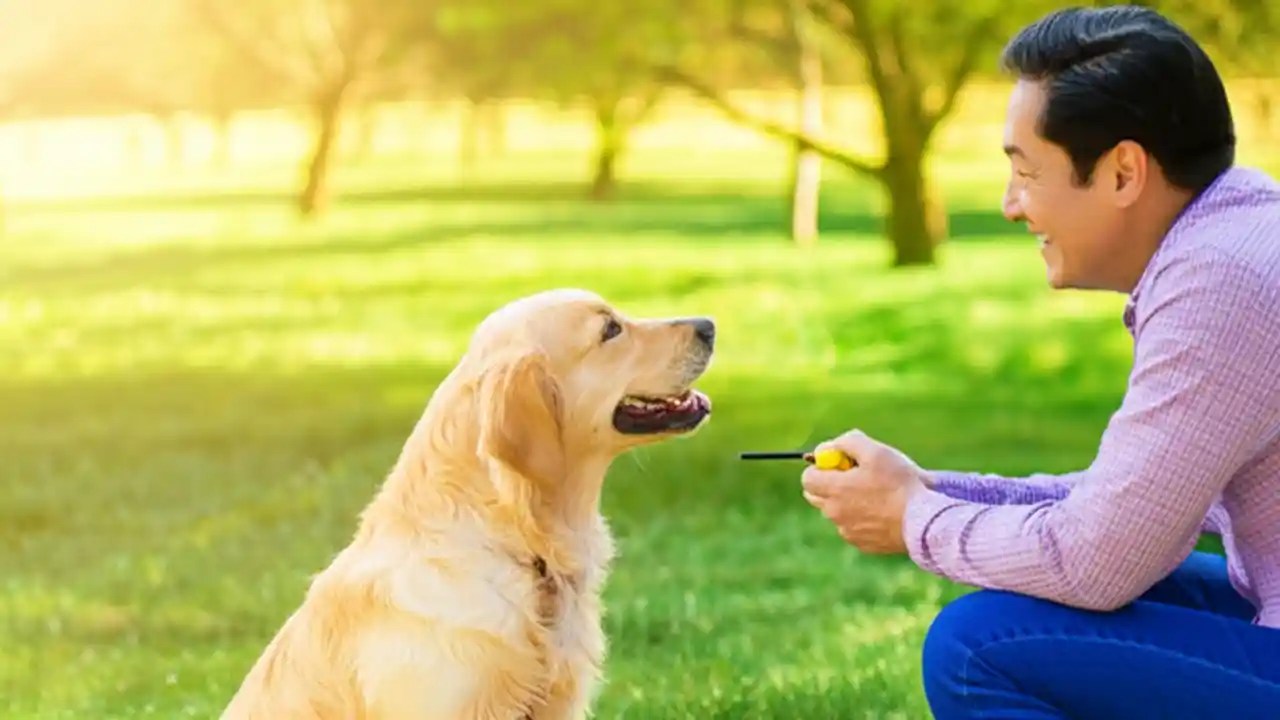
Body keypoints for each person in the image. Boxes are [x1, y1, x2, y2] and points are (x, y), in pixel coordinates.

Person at [799, 5, 1280, 718]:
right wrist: (933, 490)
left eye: (1026, 172)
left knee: (980, 646)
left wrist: (912, 519)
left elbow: (1095, 559)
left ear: (1123, 172)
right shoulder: (1239, 234)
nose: (1009, 205)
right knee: (1045, 599)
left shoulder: (1221, 282)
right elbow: (1131, 506)